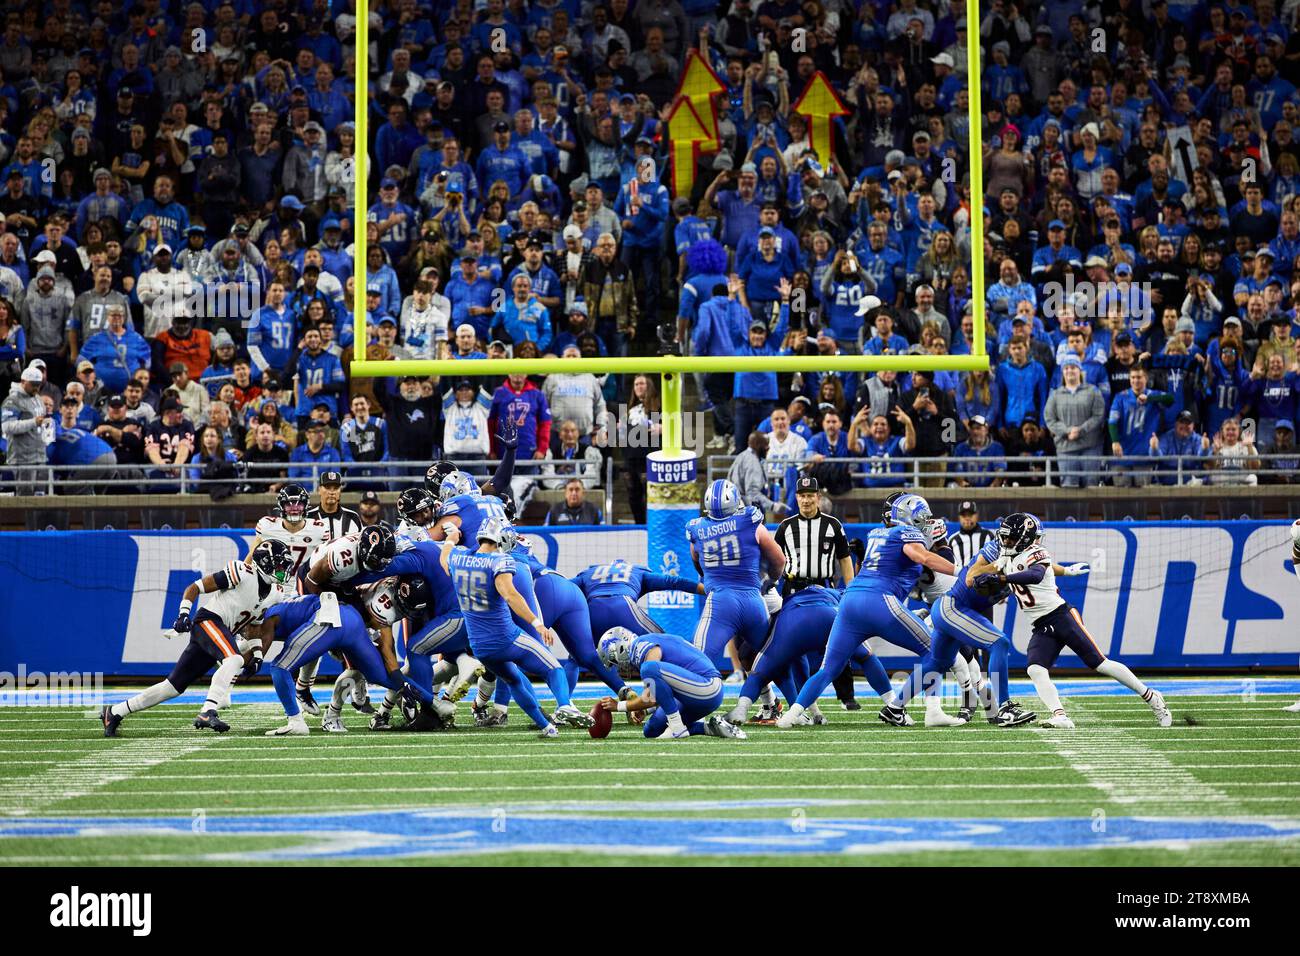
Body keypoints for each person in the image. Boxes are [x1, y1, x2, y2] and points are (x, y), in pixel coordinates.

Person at [965, 513, 1171, 729]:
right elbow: (993, 572)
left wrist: (1002, 579)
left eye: (1010, 538)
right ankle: (1060, 716)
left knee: (1100, 663)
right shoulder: (1006, 557)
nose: (1005, 542)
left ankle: (1151, 697)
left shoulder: (1036, 552)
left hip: (1061, 615)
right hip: (1041, 625)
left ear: (1025, 538)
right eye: (1004, 537)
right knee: (1035, 669)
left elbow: (1035, 574)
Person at [777, 493, 954, 729]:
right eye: (922, 517)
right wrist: (961, 571)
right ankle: (916, 709)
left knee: (827, 669)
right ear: (909, 517)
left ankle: (790, 717)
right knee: (936, 650)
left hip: (851, 600)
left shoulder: (876, 534)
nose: (925, 523)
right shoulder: (906, 533)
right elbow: (921, 557)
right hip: (878, 601)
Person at [100, 540, 296, 737]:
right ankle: (208, 711)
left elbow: (254, 626)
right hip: (208, 621)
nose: (282, 572)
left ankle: (115, 711)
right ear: (264, 562)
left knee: (172, 687)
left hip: (220, 633)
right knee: (234, 659)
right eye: (279, 565)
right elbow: (195, 587)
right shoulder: (242, 572)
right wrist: (184, 613)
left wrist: (258, 653)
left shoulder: (275, 594)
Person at [440, 516, 594, 737]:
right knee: (554, 668)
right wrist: (537, 623)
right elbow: (511, 596)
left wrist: (451, 539)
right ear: (500, 539)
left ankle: (547, 727)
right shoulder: (499, 561)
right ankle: (564, 706)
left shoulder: (459, 559)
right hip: (505, 638)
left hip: (479, 646)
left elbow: (444, 559)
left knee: (513, 680)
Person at [687, 479, 786, 664]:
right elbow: (779, 560)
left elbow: (698, 564)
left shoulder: (698, 529)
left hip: (723, 596)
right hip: (757, 593)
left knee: (699, 659)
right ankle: (792, 692)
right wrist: (771, 580)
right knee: (774, 655)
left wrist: (711, 579)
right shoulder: (750, 522)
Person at [594, 628, 747, 739]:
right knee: (651, 730)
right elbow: (661, 691)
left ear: (620, 647)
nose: (620, 666)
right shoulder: (650, 640)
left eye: (615, 661)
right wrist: (645, 711)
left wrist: (619, 706)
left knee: (649, 669)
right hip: (695, 691)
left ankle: (677, 727)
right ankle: (709, 727)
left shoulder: (638, 645)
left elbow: (650, 696)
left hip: (707, 686)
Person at [1, 365, 52, 494]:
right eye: (33, 384)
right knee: (25, 497)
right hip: (23, 458)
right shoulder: (12, 401)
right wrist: (33, 422)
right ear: (23, 382)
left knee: (41, 496)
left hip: (40, 455)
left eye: (38, 384)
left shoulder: (38, 399)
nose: (36, 388)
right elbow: (7, 427)